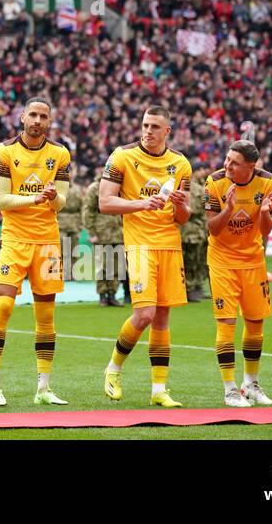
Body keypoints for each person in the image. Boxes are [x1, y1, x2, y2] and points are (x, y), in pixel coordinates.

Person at [100, 105, 192, 408]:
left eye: (155, 127)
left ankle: (159, 388)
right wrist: (141, 204)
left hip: (169, 244)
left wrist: (179, 204)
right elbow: (105, 202)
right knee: (144, 315)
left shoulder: (180, 164)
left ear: (167, 131)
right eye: (145, 125)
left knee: (163, 317)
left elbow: (183, 217)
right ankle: (113, 369)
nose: (148, 131)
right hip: (139, 244)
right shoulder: (122, 156)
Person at [0, 97, 73, 406]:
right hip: (14, 240)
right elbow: (2, 200)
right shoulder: (4, 151)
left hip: (47, 242)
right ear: (22, 117)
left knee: (46, 316)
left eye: (43, 116)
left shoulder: (60, 154)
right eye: (32, 114)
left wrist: (51, 198)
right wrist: (35, 199)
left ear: (49, 121)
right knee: (4, 306)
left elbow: (62, 201)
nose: (37, 120)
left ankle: (44, 388)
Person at [204, 140, 272, 407]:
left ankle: (251, 383)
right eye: (227, 159)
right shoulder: (214, 182)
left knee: (256, 323)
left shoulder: (267, 182)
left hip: (253, 260)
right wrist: (228, 209)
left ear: (250, 166)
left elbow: (267, 229)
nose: (227, 165)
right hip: (222, 260)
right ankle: (230, 389)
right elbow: (212, 228)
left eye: (234, 163)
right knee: (226, 323)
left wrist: (267, 213)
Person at [82, 179, 124, 306]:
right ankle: (102, 295)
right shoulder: (95, 187)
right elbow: (88, 211)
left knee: (117, 266)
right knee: (102, 265)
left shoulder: (122, 186)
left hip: (117, 231)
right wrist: (92, 233)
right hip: (101, 231)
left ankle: (113, 294)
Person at [182, 171, 210, 302]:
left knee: (196, 262)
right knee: (187, 262)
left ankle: (193, 287)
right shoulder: (180, 187)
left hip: (197, 232)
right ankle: (188, 289)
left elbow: (204, 209)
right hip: (186, 231)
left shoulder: (200, 189)